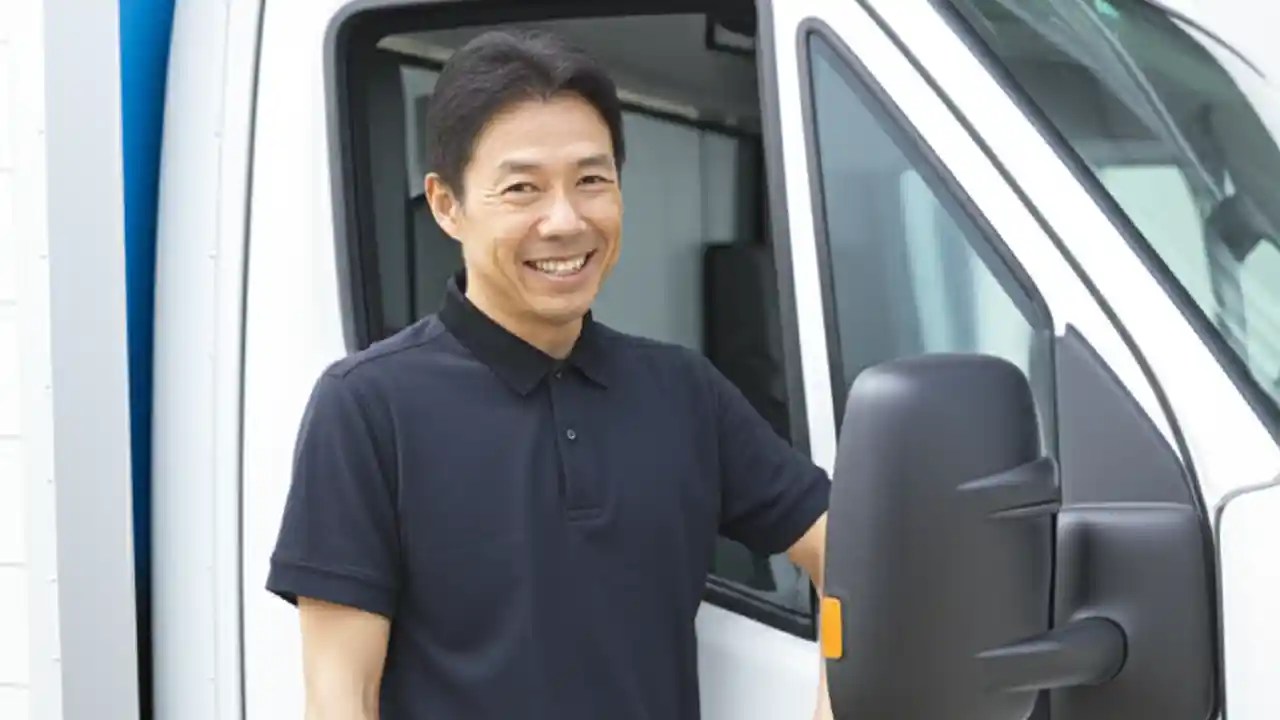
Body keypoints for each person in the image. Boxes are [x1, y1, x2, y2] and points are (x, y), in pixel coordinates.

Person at [266, 27, 834, 720]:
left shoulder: (684, 393)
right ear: (448, 205)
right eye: (522, 189)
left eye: (592, 180)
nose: (565, 221)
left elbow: (848, 552)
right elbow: (339, 697)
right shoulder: (366, 406)